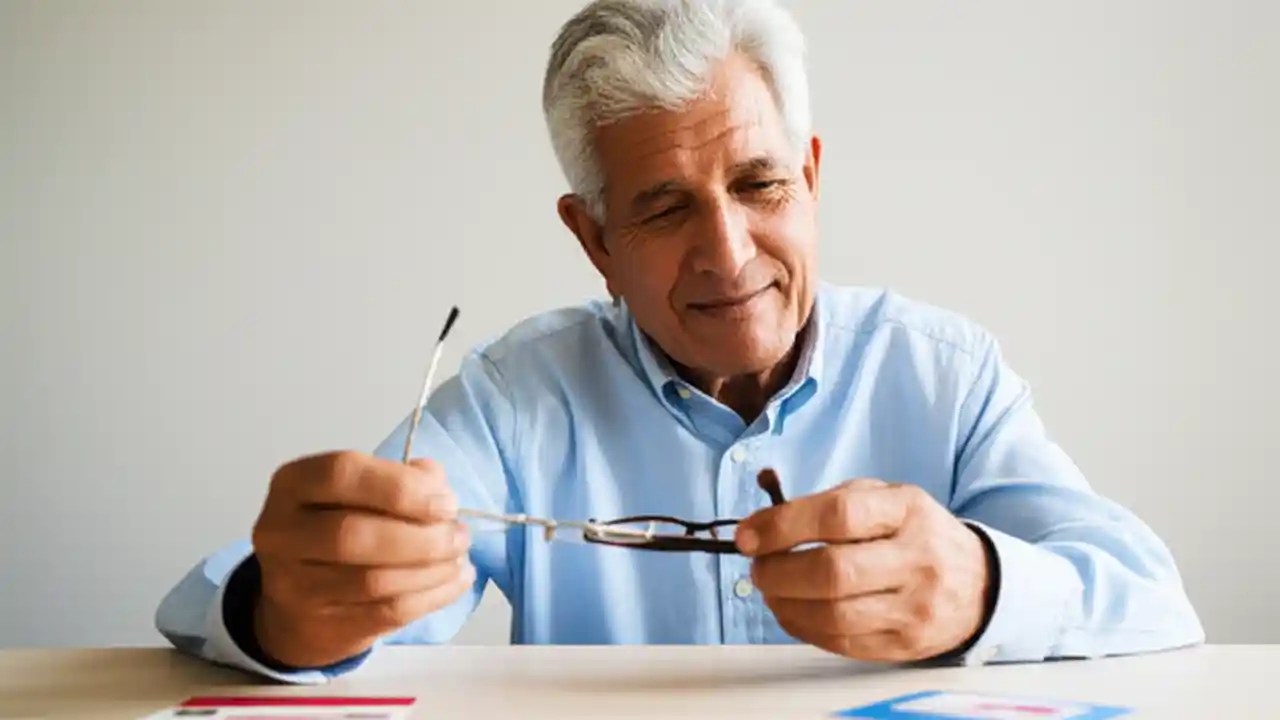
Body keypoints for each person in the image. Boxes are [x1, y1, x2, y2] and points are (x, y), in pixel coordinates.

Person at [155, 0, 1204, 683]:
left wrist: (979, 587)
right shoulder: (520, 397)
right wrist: (288, 606)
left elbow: (1152, 604)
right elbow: (235, 603)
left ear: (812, 178)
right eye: (661, 211)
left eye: (759, 186)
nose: (725, 250)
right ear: (593, 240)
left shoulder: (944, 376)